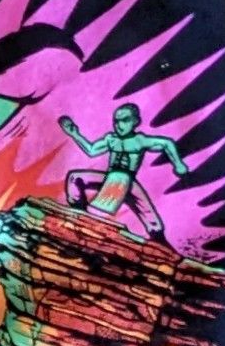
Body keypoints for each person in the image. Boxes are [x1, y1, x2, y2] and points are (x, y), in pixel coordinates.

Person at [58, 100, 188, 241]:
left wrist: (178, 164)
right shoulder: (111, 139)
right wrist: (75, 134)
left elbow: (166, 143)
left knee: (151, 219)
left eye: (125, 121)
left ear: (135, 121)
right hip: (110, 178)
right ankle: (79, 210)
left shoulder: (140, 140)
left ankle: (159, 240)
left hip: (127, 181)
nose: (119, 125)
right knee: (75, 177)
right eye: (116, 121)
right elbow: (91, 150)